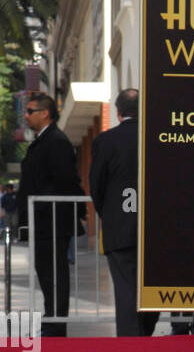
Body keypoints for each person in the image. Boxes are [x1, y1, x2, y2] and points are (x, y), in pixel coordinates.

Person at [89, 89, 158, 337]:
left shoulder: (105, 141)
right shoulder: (156, 136)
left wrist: (107, 213)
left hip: (119, 225)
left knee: (125, 287)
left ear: (118, 112)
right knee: (151, 284)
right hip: (155, 226)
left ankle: (130, 341)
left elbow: (96, 185)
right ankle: (145, 331)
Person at [17, 93, 85, 336]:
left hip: (52, 221)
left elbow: (65, 180)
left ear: (44, 113)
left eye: (30, 111)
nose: (26, 115)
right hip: (43, 222)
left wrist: (70, 209)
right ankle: (51, 320)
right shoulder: (44, 140)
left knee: (54, 274)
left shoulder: (55, 141)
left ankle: (56, 324)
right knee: (46, 274)